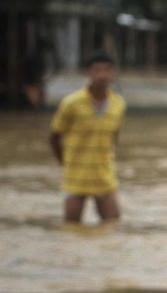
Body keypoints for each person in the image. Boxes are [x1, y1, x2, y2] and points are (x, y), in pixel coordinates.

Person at [49, 51, 127, 224]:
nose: (102, 75)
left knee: (113, 225)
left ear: (113, 73)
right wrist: (65, 162)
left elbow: (114, 136)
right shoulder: (71, 103)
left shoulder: (118, 104)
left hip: (104, 176)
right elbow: (54, 136)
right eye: (97, 70)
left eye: (107, 70)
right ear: (89, 74)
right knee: (71, 228)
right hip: (76, 176)